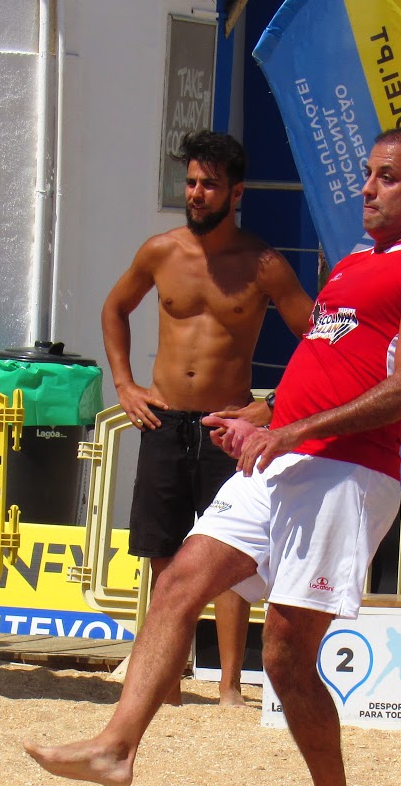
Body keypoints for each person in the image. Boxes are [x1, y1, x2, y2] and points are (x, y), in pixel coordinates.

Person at [27, 127, 401, 786]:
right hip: (281, 456)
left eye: (385, 177)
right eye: (366, 173)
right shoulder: (356, 261)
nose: (366, 188)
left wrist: (289, 433)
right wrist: (263, 415)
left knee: (287, 658)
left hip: (347, 473)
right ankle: (115, 747)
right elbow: (324, 365)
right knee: (178, 582)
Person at [104, 130, 313, 707]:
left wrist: (274, 405)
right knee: (163, 551)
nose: (196, 193)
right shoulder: (161, 251)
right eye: (191, 182)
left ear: (236, 192)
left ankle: (228, 685)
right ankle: (166, 679)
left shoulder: (263, 263)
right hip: (164, 419)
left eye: (209, 185)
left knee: (228, 553)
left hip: (227, 425)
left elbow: (320, 336)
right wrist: (124, 384)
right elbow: (115, 308)